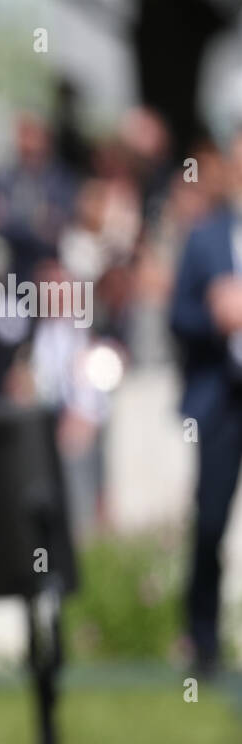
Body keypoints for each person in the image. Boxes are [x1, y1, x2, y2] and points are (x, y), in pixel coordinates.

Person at [168, 127, 242, 675]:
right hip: (222, 400)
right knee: (210, 522)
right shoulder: (205, 237)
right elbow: (178, 316)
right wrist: (216, 319)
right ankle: (201, 641)